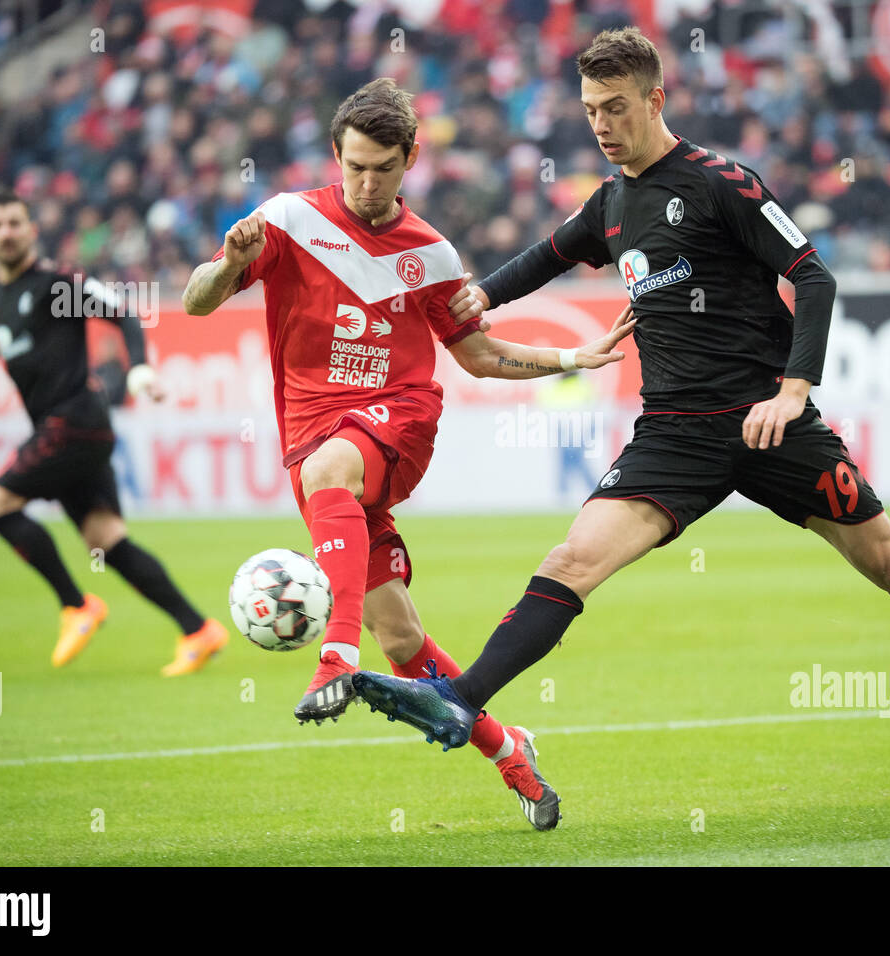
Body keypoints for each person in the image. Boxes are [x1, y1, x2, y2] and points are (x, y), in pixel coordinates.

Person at [350, 29, 890, 790]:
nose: (601, 126)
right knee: (571, 560)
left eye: (615, 108)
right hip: (673, 435)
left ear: (655, 100)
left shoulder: (722, 183)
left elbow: (815, 279)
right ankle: (459, 700)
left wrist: (794, 390)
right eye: (589, 111)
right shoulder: (609, 204)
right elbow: (549, 255)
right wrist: (484, 294)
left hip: (770, 421)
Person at [181, 78, 635, 830]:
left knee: (334, 471)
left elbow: (480, 357)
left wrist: (570, 359)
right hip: (314, 438)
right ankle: (509, 751)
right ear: (337, 155)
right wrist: (229, 264)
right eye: (355, 166)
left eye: (383, 168)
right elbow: (197, 301)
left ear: (410, 159)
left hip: (399, 420)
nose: (367, 183)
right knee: (404, 641)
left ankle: (334, 656)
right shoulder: (289, 219)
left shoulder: (430, 253)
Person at [0, 188, 228, 675]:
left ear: (32, 229)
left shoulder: (58, 283)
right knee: (106, 541)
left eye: (15, 223)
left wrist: (139, 370)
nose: (6, 233)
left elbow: (123, 313)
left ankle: (76, 605)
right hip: (64, 432)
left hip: (76, 420)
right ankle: (198, 629)